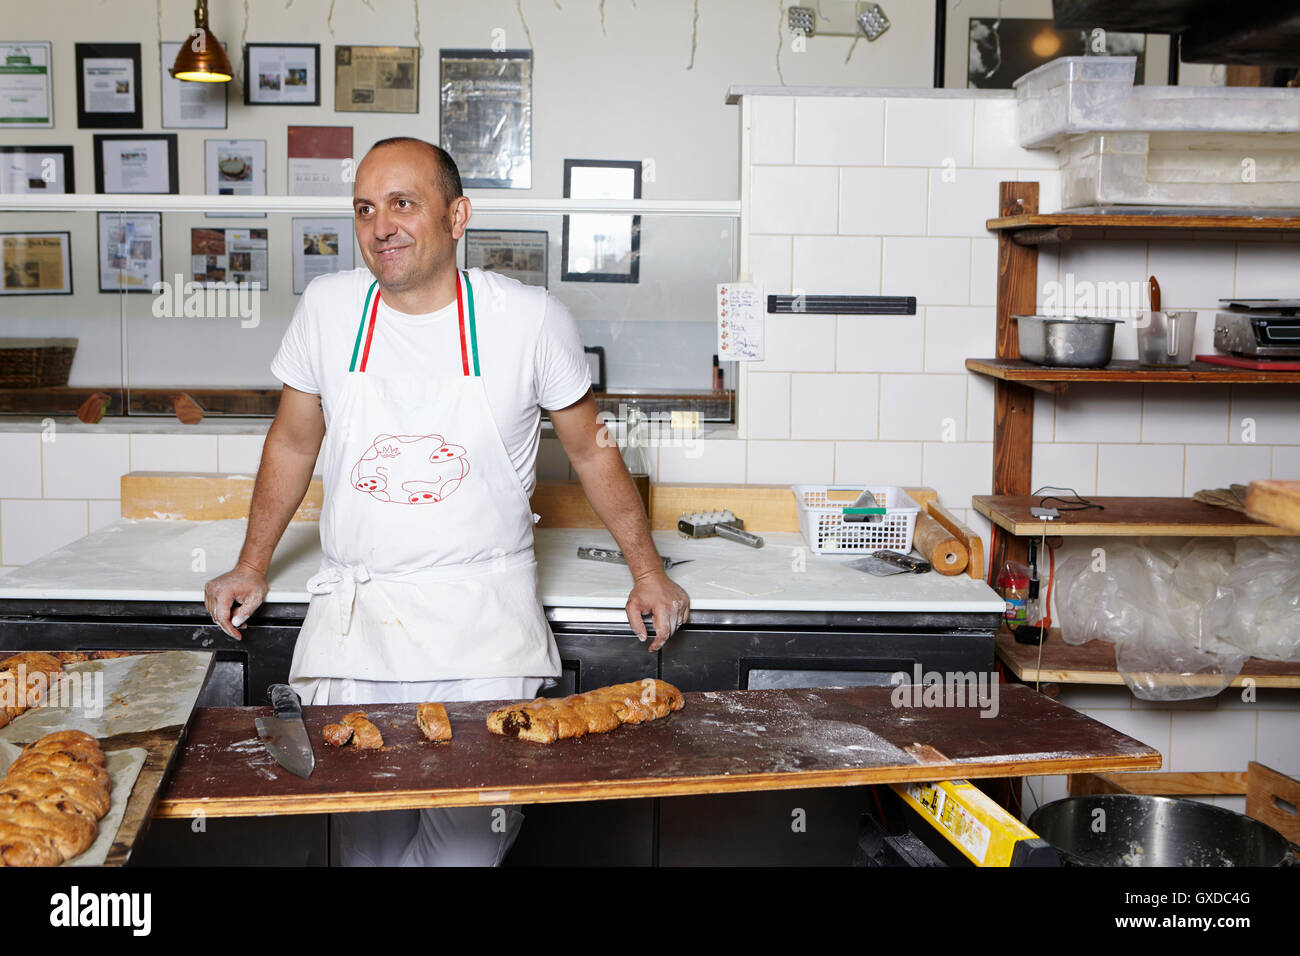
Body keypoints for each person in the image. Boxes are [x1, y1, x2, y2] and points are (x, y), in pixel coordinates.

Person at [204, 136, 690, 866]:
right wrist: (250, 564)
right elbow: (292, 443)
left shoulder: (528, 319)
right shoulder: (330, 308)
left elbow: (592, 450)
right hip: (356, 627)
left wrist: (647, 572)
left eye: (403, 204)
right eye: (365, 208)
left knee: (465, 852)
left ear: (457, 216)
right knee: (363, 850)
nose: (380, 226)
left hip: (482, 630)